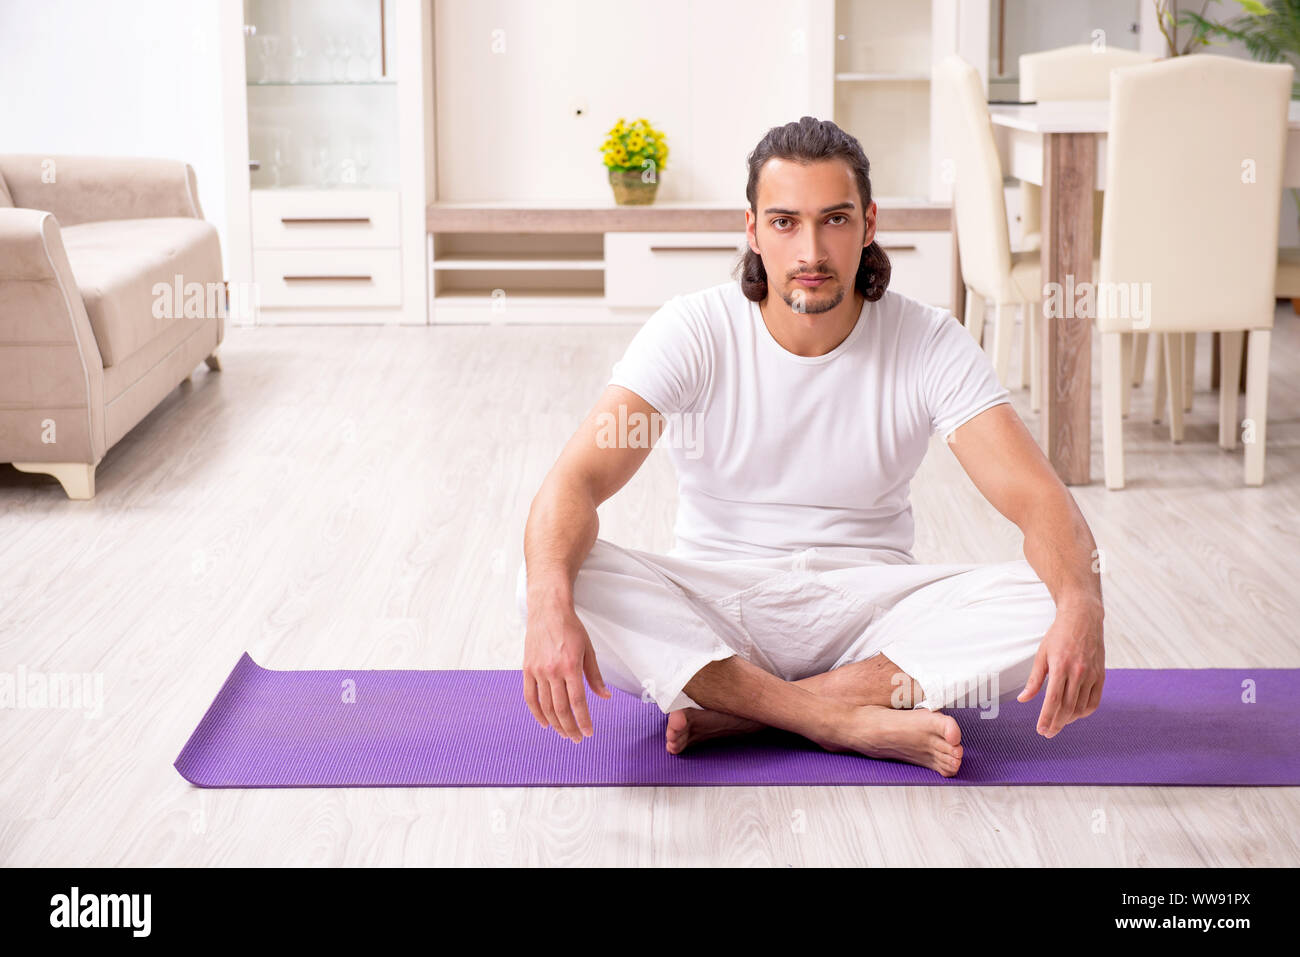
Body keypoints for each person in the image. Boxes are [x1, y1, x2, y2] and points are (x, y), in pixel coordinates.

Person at [517, 116, 1105, 777]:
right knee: (551, 575)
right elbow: (574, 483)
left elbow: (1037, 500)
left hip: (869, 613)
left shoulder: (928, 341)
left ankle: (753, 711)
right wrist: (547, 605)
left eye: (834, 219)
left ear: (869, 223)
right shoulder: (693, 330)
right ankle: (834, 719)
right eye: (785, 222)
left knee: (1063, 587)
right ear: (752, 230)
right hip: (720, 610)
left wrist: (1080, 601)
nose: (811, 250)